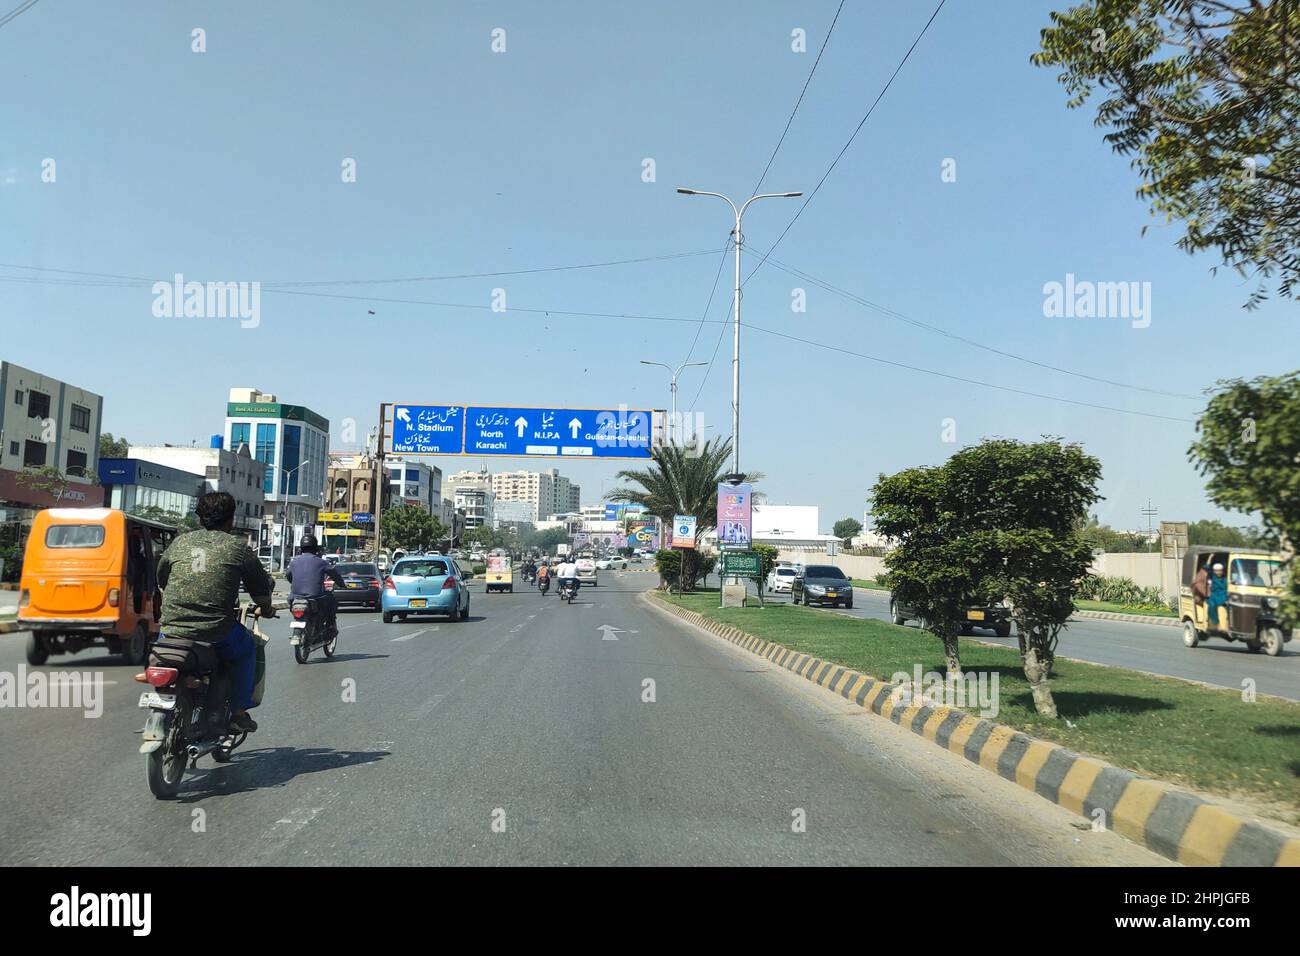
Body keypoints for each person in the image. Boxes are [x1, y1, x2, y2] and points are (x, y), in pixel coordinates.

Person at [156, 491, 275, 733]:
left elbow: (161, 576)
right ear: (231, 519)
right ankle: (239, 713)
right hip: (217, 630)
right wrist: (267, 607)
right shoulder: (237, 548)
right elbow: (260, 589)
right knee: (247, 649)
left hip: (170, 630)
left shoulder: (180, 543)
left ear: (200, 518)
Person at [286, 535, 346, 638]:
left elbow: (288, 576)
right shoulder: (321, 562)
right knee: (331, 598)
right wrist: (342, 584)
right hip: (315, 597)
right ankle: (331, 625)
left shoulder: (293, 562)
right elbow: (334, 574)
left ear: (300, 549)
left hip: (294, 598)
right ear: (316, 549)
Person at [1206, 561, 1229, 631]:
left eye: (1220, 571)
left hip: (1224, 596)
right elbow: (1206, 568)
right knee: (1211, 606)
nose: (1218, 572)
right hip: (1214, 596)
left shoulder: (1225, 579)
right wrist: (1210, 559)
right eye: (1217, 571)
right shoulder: (1212, 578)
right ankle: (1215, 623)